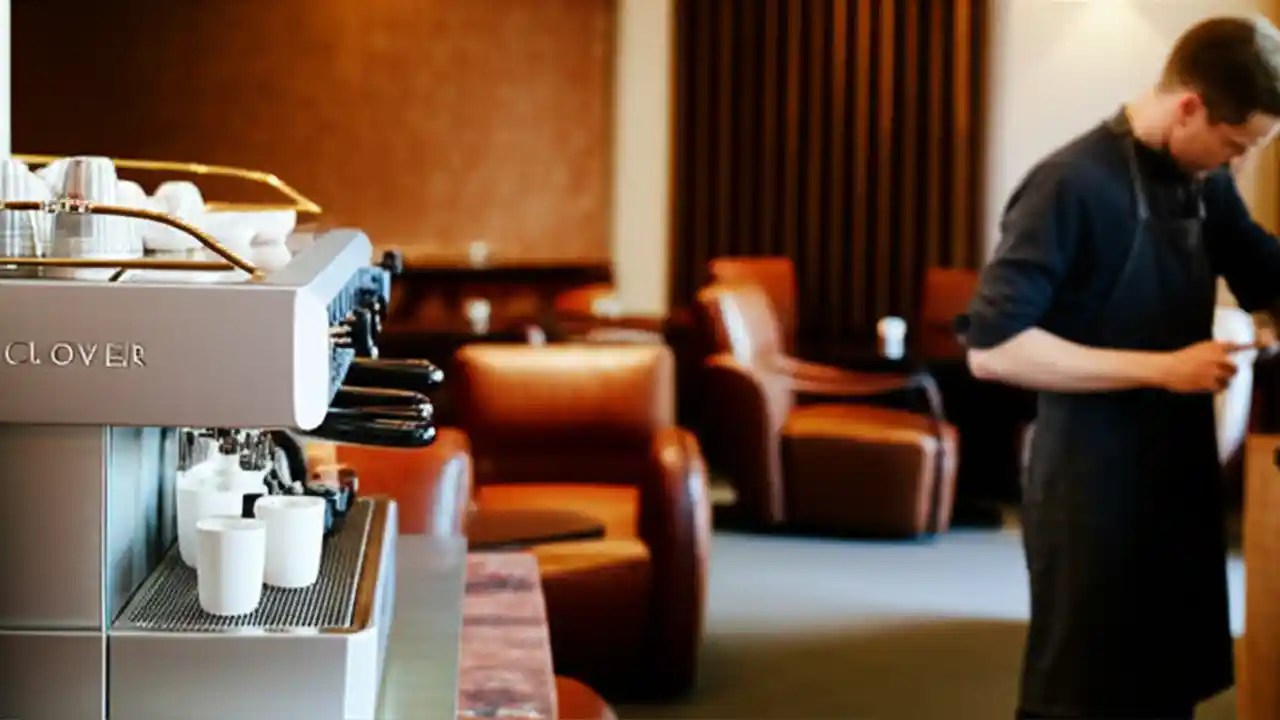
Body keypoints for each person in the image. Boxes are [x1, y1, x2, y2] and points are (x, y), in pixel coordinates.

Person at [960, 15, 1280, 720]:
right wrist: (1163, 370)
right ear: (1189, 106)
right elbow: (994, 349)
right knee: (1083, 694)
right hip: (1090, 484)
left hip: (1177, 473)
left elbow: (1265, 273)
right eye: (1234, 145)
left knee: (1167, 689)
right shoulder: (1069, 184)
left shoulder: (1205, 178)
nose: (1238, 165)